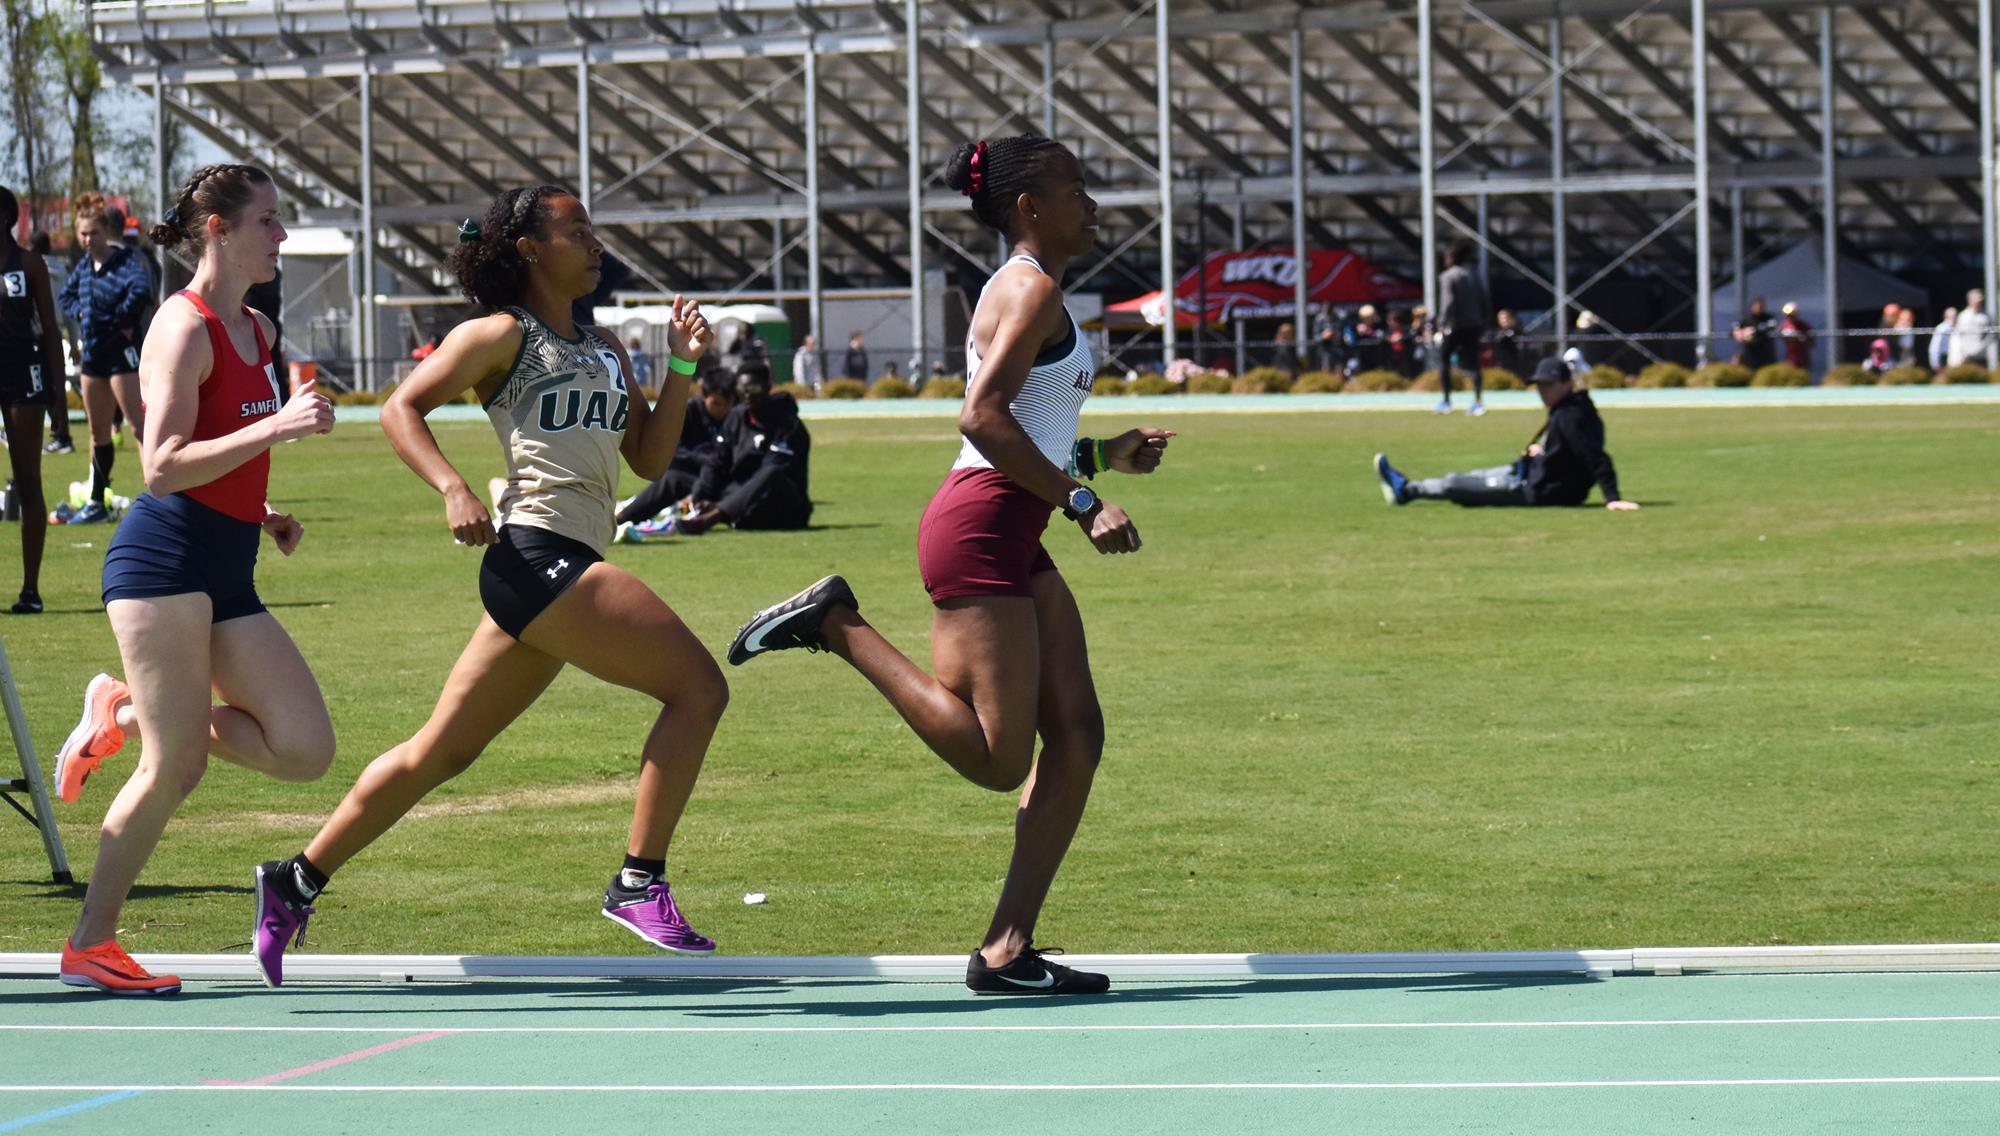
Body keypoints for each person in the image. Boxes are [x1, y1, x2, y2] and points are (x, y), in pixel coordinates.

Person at [723, 133, 1174, 996]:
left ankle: (1008, 948)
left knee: (1077, 735)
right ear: (1030, 208)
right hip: (982, 532)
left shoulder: (1031, 289)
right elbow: (982, 419)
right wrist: (1083, 504)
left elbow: (1022, 434)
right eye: (1076, 190)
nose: (1093, 205)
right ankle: (836, 624)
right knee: (1001, 760)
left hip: (1007, 525)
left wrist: (1098, 457)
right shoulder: (1030, 288)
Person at [248, 184, 725, 988]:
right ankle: (638, 882)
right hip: (541, 557)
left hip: (550, 570)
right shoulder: (503, 333)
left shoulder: (606, 344)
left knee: (441, 752)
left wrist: (680, 365)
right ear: (532, 249)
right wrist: (452, 487)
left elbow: (647, 457)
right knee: (699, 689)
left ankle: (294, 881)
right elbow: (403, 409)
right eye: (578, 231)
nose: (596, 242)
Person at [50, 164, 338, 996]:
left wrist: (264, 509)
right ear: (218, 229)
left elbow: (229, 447)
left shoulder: (262, 330)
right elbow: (163, 465)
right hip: (162, 564)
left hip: (225, 565)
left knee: (304, 748)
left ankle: (124, 709)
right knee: (176, 765)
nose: (281, 235)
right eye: (268, 221)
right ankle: (90, 944)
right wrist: (282, 425)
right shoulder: (182, 326)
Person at [1373, 357, 1636, 511]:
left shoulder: (1570, 416)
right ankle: (1407, 488)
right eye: (1540, 386)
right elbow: (1569, 451)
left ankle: (1407, 490)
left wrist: (1613, 498)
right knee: (1473, 476)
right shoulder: (1570, 408)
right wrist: (1542, 452)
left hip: (1540, 490)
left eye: (1549, 385)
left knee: (1456, 484)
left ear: (1567, 383)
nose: (1543, 391)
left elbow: (1594, 456)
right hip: (1535, 475)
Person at [57, 198, 152, 523]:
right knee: (98, 434)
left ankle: (157, 495)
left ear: (105, 232)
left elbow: (141, 290)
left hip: (120, 356)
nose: (88, 240)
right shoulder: (84, 266)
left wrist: (120, 320)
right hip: (94, 357)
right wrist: (80, 313)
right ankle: (97, 499)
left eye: (93, 233)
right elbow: (66, 297)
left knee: (140, 427)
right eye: (83, 234)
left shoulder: (125, 262)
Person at [0, 186, 64, 613]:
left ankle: (31, 590)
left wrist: (59, 402)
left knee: (28, 482)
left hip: (25, 375)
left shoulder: (30, 264)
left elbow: (52, 332)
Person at [674, 362, 812, 535]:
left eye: (753, 389)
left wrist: (722, 503)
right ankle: (632, 516)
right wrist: (698, 494)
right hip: (744, 502)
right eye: (741, 391)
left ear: (768, 386)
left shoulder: (788, 424)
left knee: (771, 472)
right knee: (676, 478)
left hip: (785, 508)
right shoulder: (737, 416)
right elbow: (718, 461)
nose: (747, 395)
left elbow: (772, 470)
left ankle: (708, 520)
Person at [612, 368, 736, 542]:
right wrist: (706, 461)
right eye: (716, 403)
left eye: (727, 404)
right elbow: (673, 451)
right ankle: (620, 520)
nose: (722, 410)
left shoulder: (738, 415)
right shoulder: (688, 412)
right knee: (672, 479)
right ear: (704, 396)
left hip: (727, 485)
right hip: (694, 476)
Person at [32, 232, 76, 455]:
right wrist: (75, 341)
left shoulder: (30, 269)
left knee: (41, 387)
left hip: (37, 336)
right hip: (57, 334)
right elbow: (69, 310)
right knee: (55, 386)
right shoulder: (63, 271)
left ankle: (62, 437)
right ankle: (61, 434)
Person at [1436, 240, 1488, 415]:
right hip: (1474, 324)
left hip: (1456, 325)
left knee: (1443, 359)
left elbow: (1447, 302)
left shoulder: (1448, 276)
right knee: (1474, 362)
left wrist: (1442, 323)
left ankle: (1446, 400)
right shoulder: (1472, 274)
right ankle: (1478, 401)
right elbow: (1484, 299)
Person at [1946, 289, 1992, 368]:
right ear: (1970, 300)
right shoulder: (1963, 316)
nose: (1979, 303)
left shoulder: (1986, 316)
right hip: (1965, 357)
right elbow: (1958, 337)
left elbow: (1991, 335)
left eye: (1980, 301)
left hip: (1981, 356)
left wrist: (1983, 346)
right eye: (1976, 300)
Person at [1732, 297, 1777, 370]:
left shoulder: (1768, 318)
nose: (1759, 308)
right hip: (1750, 354)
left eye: (1761, 306)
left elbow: (1771, 326)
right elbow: (1736, 327)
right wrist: (1738, 331)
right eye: (1756, 306)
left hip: (1765, 353)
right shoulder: (1747, 319)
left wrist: (1754, 330)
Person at [1490, 308, 1528, 377]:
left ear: (1512, 319)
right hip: (1501, 362)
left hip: (1515, 363)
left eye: (1505, 318)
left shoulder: (1517, 331)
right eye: (1500, 318)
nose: (1503, 321)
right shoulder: (1497, 332)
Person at [1779, 302, 1813, 372]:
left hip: (1803, 360)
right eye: (1788, 315)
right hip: (1789, 360)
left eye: (1792, 315)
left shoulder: (1804, 326)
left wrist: (1803, 339)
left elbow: (1812, 343)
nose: (1790, 317)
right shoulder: (1784, 325)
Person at [1929, 306, 1956, 372]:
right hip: (1944, 357)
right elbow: (1935, 346)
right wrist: (1935, 362)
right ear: (1945, 316)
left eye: (1955, 316)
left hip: (1955, 357)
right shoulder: (1941, 328)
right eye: (1952, 316)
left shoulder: (1957, 327)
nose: (1954, 318)